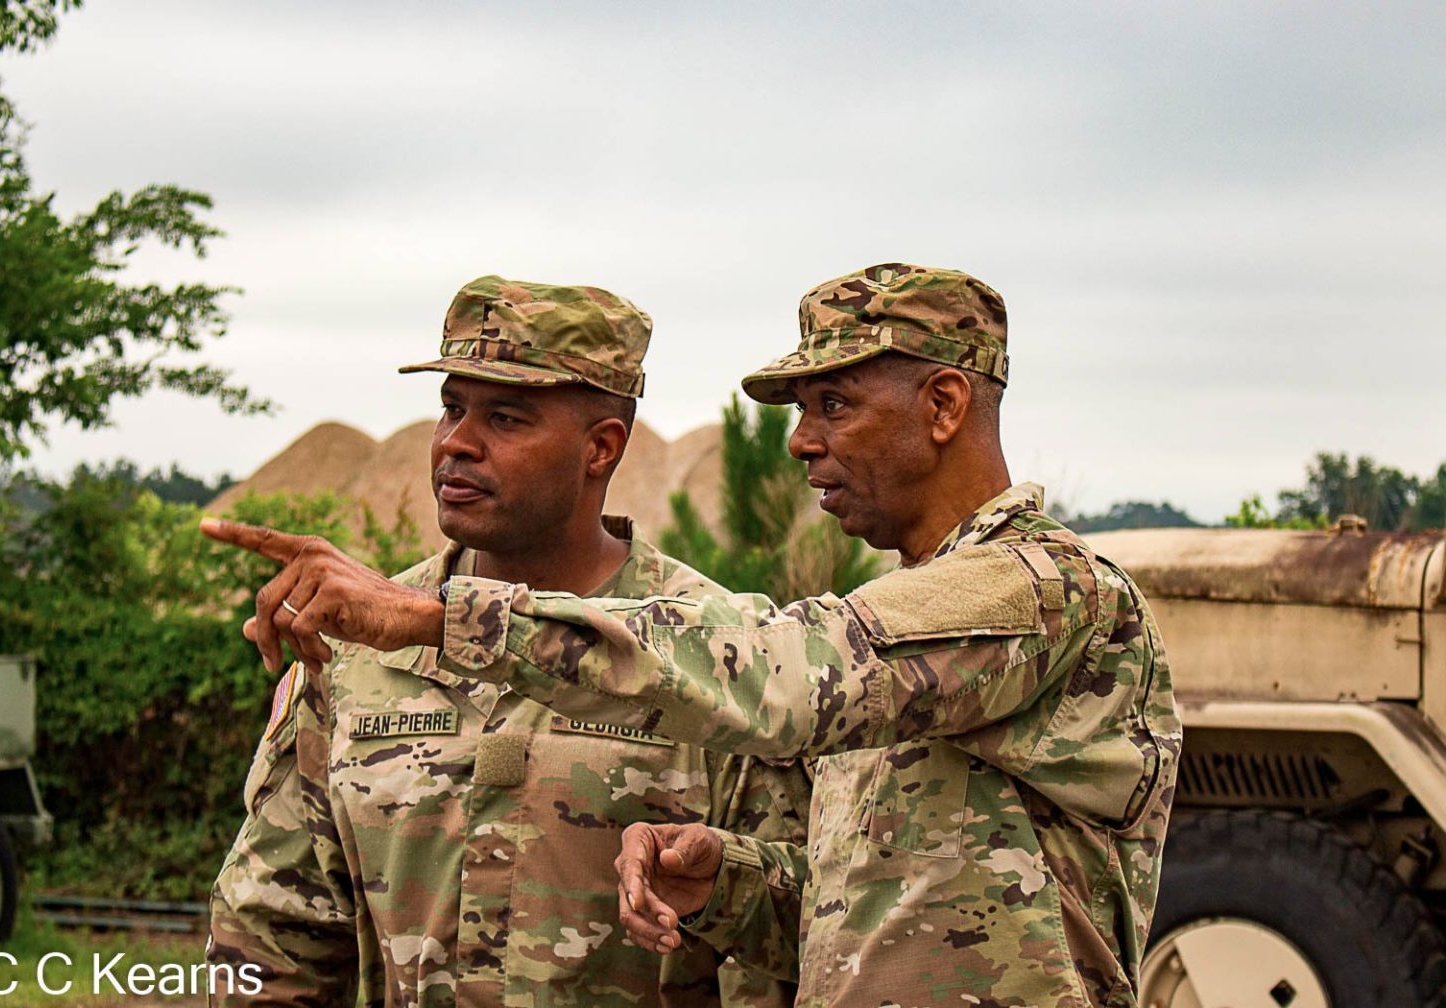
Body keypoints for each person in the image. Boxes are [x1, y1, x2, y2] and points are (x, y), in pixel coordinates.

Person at [211, 263, 1180, 1008]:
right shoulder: (913, 622)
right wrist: (724, 882)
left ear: (943, 406)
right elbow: (849, 923)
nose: (801, 440)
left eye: (834, 404)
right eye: (803, 410)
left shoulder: (1045, 592)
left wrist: (431, 619)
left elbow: (786, 674)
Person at [204, 276, 811, 1007]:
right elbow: (274, 931)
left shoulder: (719, 656)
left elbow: (794, 941)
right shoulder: (359, 644)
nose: (458, 443)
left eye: (508, 418)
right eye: (451, 409)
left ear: (601, 448)